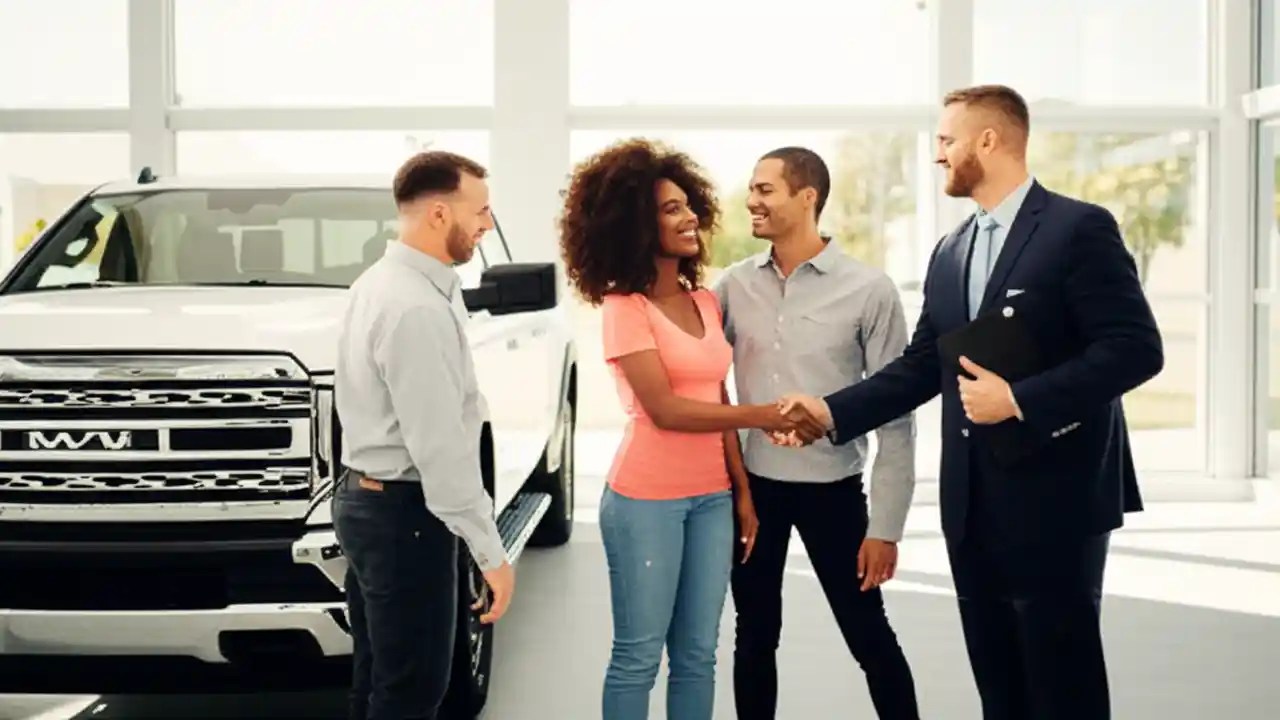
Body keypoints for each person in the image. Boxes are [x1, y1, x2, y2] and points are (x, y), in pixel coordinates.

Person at [779, 85, 1164, 720]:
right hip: (973, 506)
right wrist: (831, 412)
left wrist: (1019, 400)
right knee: (999, 686)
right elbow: (923, 365)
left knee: (1062, 686)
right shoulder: (950, 249)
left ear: (989, 141)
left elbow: (1135, 349)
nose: (938, 156)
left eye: (946, 141)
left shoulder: (1078, 228)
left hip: (1058, 500)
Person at [557, 138, 797, 720]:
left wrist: (740, 489)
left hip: (712, 499)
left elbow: (715, 393)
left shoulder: (705, 303)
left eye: (689, 205)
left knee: (698, 655)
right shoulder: (624, 308)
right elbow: (666, 410)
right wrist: (762, 416)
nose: (690, 216)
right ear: (635, 224)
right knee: (638, 657)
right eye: (671, 209)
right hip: (644, 501)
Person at [713, 147, 921, 720]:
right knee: (754, 635)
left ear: (808, 198)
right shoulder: (733, 287)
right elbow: (708, 382)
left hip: (834, 490)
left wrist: (886, 527)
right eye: (751, 189)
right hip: (756, 494)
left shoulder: (869, 291)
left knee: (868, 633)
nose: (751, 201)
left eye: (765, 190)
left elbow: (896, 416)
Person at [333, 150, 516, 720]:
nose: (487, 223)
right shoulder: (414, 307)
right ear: (440, 214)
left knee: (380, 681)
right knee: (413, 692)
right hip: (405, 517)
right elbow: (441, 451)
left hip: (370, 502)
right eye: (481, 211)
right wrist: (492, 554)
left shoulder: (383, 284)